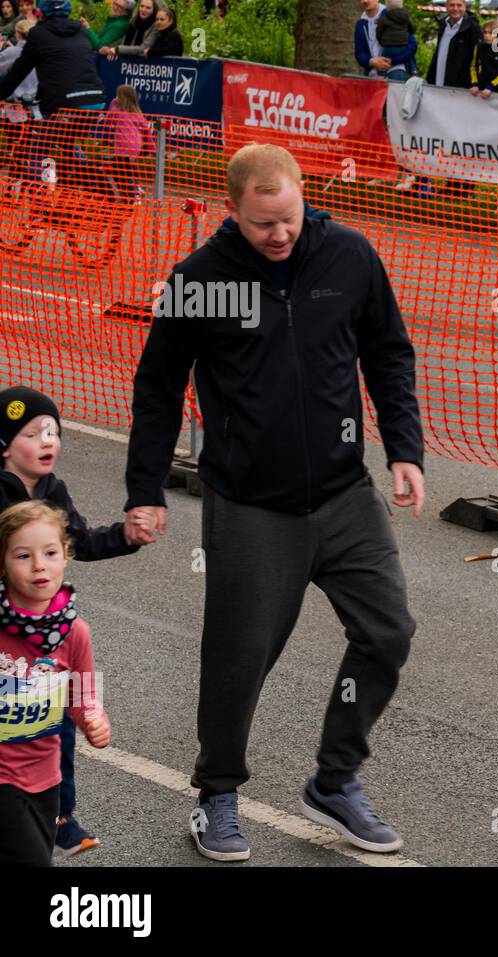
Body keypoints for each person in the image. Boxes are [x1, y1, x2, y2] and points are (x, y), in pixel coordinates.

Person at [125, 143, 425, 862]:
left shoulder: (349, 256)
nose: (280, 234)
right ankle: (218, 794)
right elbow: (158, 386)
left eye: (288, 217)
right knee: (240, 656)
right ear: (233, 210)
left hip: (345, 491)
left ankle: (335, 777)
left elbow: (388, 350)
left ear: (303, 195)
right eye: (263, 224)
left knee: (388, 631)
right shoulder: (199, 279)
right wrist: (144, 491)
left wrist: (405, 448)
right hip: (251, 502)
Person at [0, 387, 140, 860]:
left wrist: (126, 535)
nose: (48, 440)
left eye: (54, 432)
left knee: (56, 729)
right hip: (6, 628)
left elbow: (81, 540)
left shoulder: (55, 492)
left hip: (45, 634)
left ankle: (62, 813)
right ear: (4, 444)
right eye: (33, 432)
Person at [0, 500, 112, 865]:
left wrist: (94, 719)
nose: (38, 565)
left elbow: (83, 696)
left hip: (47, 778)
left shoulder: (75, 632)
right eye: (22, 556)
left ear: (66, 555)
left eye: (50, 552)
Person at [0, 0, 105, 117]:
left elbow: (19, 71)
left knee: (46, 133)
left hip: (64, 103)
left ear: (42, 13)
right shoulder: (82, 31)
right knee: (78, 133)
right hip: (96, 99)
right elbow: (59, 67)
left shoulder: (39, 34)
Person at [102, 83, 152, 199]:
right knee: (129, 165)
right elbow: (146, 130)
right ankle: (136, 186)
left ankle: (133, 191)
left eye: (118, 96)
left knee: (121, 168)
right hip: (135, 145)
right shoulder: (137, 113)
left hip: (122, 146)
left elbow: (107, 121)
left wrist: (105, 139)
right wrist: (150, 147)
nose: (116, 98)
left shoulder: (116, 111)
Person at [354, 0, 417, 78]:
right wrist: (372, 62)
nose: (365, 1)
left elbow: (412, 44)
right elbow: (359, 52)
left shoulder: (393, 12)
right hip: (373, 74)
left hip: (396, 69)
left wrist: (393, 61)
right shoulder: (360, 23)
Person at [427, 0, 481, 88]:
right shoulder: (443, 25)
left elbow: (478, 58)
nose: (455, 9)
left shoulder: (473, 28)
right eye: (452, 5)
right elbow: (438, 54)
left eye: (459, 5)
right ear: (446, 7)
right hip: (438, 81)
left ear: (465, 7)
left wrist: (475, 83)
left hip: (460, 87)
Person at [0, 17, 38, 106]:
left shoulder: (12, 52)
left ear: (17, 34)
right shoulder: (42, 51)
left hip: (15, 107)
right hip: (38, 107)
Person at [469, 18, 498, 97]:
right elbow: (473, 66)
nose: (487, 36)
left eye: (491, 33)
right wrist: (474, 84)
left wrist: (491, 86)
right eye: (485, 32)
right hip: (481, 89)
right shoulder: (478, 47)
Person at [375, 0, 414, 80]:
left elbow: (379, 31)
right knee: (404, 61)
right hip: (402, 45)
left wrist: (381, 41)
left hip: (388, 46)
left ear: (387, 6)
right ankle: (412, 71)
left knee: (384, 62)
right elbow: (412, 28)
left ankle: (381, 74)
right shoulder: (406, 16)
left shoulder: (385, 16)